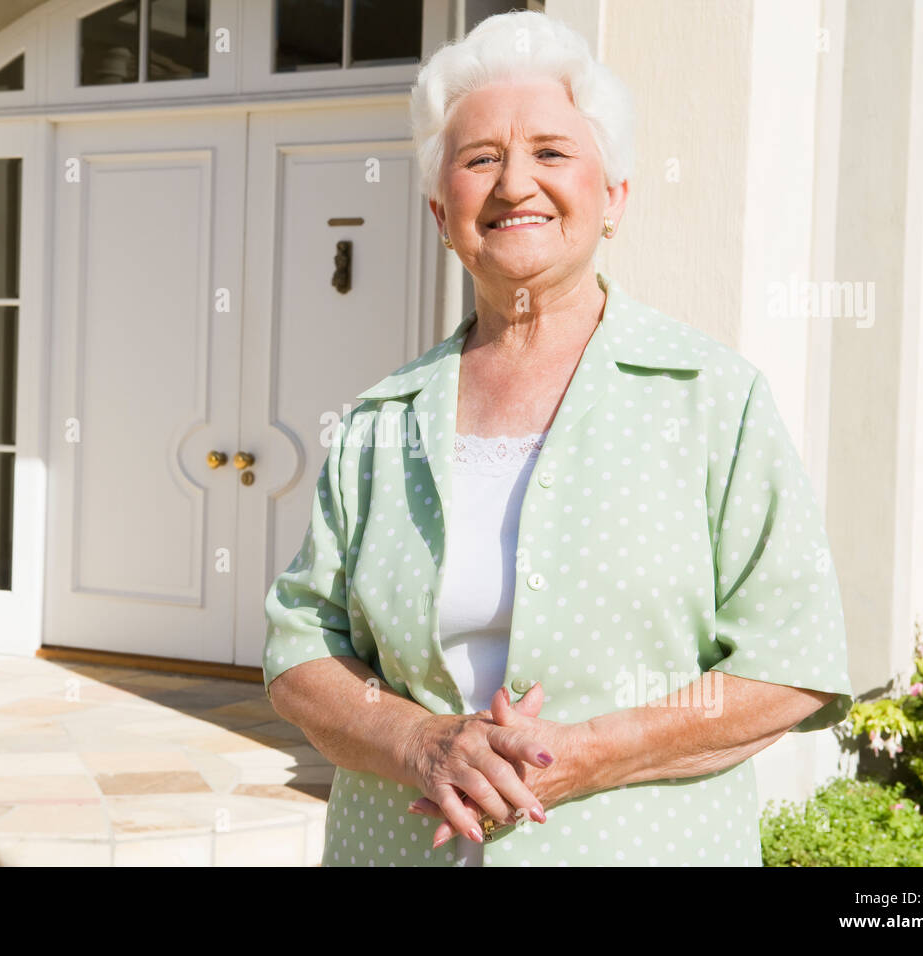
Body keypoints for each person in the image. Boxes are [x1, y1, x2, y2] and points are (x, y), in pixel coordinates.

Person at [262, 9, 853, 867]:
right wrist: (420, 742)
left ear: (613, 197)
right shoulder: (378, 422)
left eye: (550, 152)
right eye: (479, 159)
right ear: (440, 212)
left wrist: (586, 756)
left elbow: (791, 660)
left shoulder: (714, 399)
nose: (513, 185)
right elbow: (299, 648)